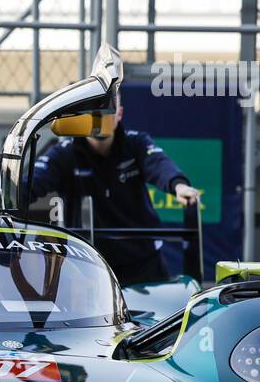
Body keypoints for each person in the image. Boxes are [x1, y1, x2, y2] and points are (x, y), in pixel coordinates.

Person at [30, 107, 201, 283]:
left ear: (119, 113)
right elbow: (31, 184)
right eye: (93, 110)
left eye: (107, 109)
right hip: (86, 266)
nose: (100, 116)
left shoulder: (137, 143)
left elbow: (159, 164)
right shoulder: (63, 153)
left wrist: (178, 185)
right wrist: (6, 204)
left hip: (143, 264)